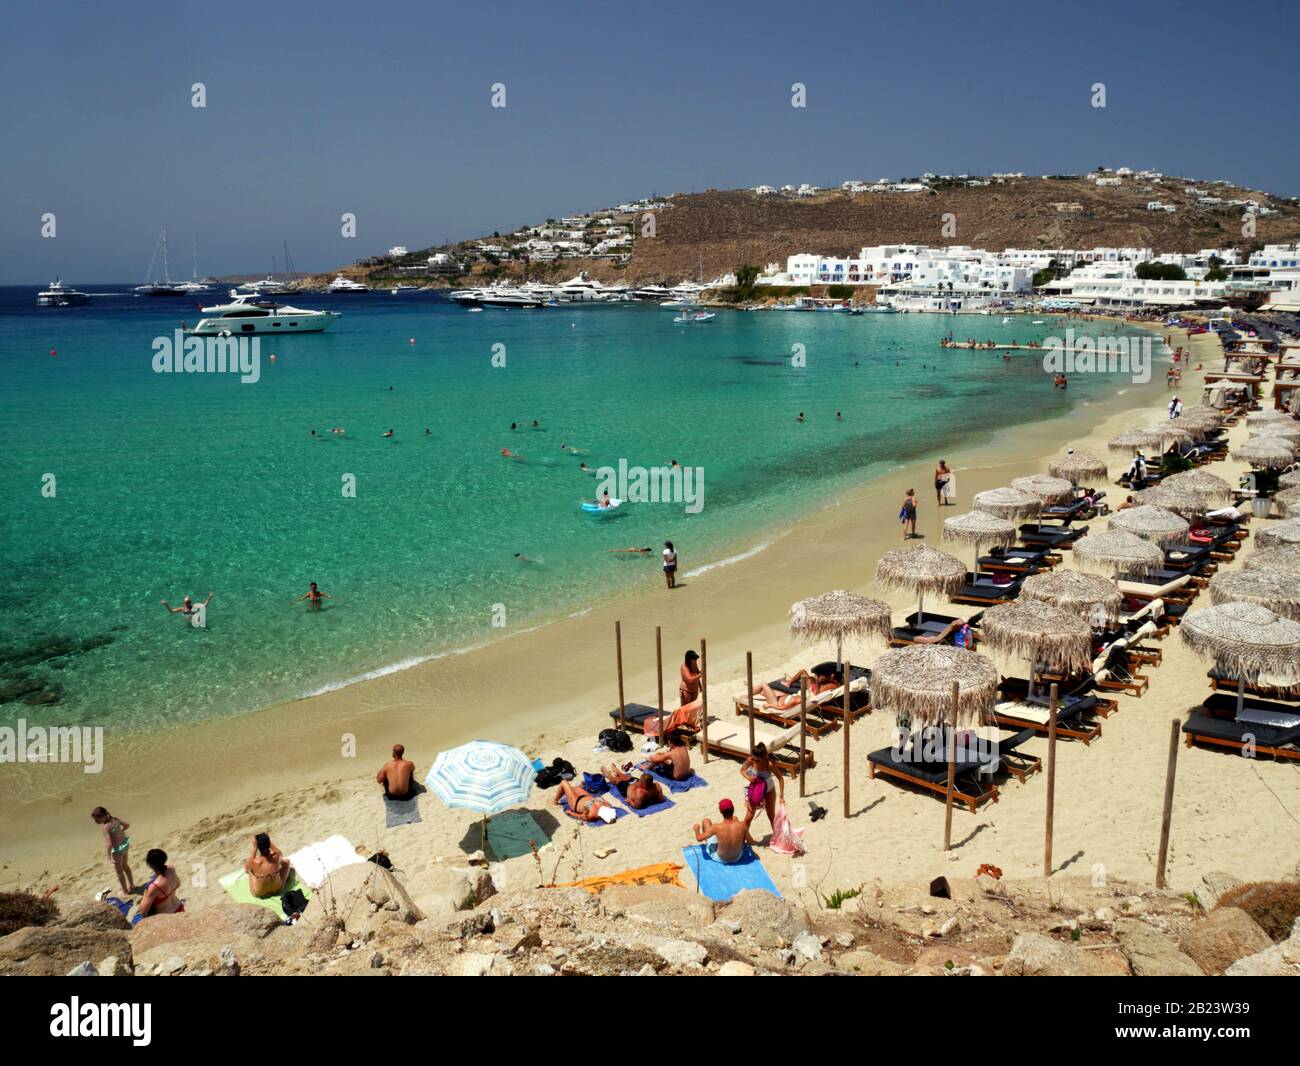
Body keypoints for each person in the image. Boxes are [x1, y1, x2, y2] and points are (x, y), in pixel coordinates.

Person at [693, 799, 754, 864]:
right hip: (737, 857)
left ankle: (711, 841)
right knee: (735, 818)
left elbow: (699, 838)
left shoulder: (716, 827)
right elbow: (750, 841)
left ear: (720, 811)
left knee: (706, 821)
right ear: (733, 809)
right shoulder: (742, 825)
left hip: (720, 858)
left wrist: (696, 829)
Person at [740, 743, 784, 832]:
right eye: (753, 759)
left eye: (757, 760)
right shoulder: (750, 759)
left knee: (771, 816)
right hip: (756, 789)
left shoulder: (769, 764)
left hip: (769, 791)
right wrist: (748, 777)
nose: (755, 761)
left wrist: (781, 796)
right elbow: (742, 770)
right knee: (749, 816)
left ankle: (777, 838)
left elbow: (780, 778)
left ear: (763, 757)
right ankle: (742, 838)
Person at [91, 807, 134, 894]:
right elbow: (127, 825)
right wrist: (120, 831)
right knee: (125, 866)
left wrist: (109, 856)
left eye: (97, 819)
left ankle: (125, 891)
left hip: (117, 850)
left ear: (103, 816)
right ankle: (132, 884)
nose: (95, 822)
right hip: (124, 845)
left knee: (119, 872)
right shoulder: (115, 820)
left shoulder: (106, 827)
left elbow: (109, 843)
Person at [136, 849, 184, 920]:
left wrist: (146, 894)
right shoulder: (171, 869)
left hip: (167, 917)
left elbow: (143, 912)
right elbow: (178, 884)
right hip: (179, 907)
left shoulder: (155, 886)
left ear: (150, 865)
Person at [245, 833, 292, 899]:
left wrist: (254, 848)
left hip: (260, 893)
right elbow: (279, 853)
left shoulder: (253, 862)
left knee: (250, 869)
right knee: (286, 862)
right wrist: (267, 842)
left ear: (257, 846)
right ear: (269, 843)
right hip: (278, 889)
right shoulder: (277, 856)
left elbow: (247, 868)